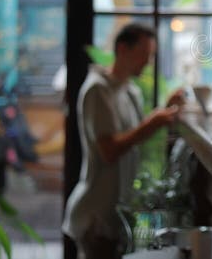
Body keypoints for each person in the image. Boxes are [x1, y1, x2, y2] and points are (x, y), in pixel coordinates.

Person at [63, 23, 184, 259]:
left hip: (116, 211)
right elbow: (109, 150)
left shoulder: (130, 90)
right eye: (143, 55)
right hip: (95, 213)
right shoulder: (97, 90)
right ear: (122, 49)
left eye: (150, 56)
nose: (147, 62)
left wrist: (164, 110)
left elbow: (135, 135)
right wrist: (154, 122)